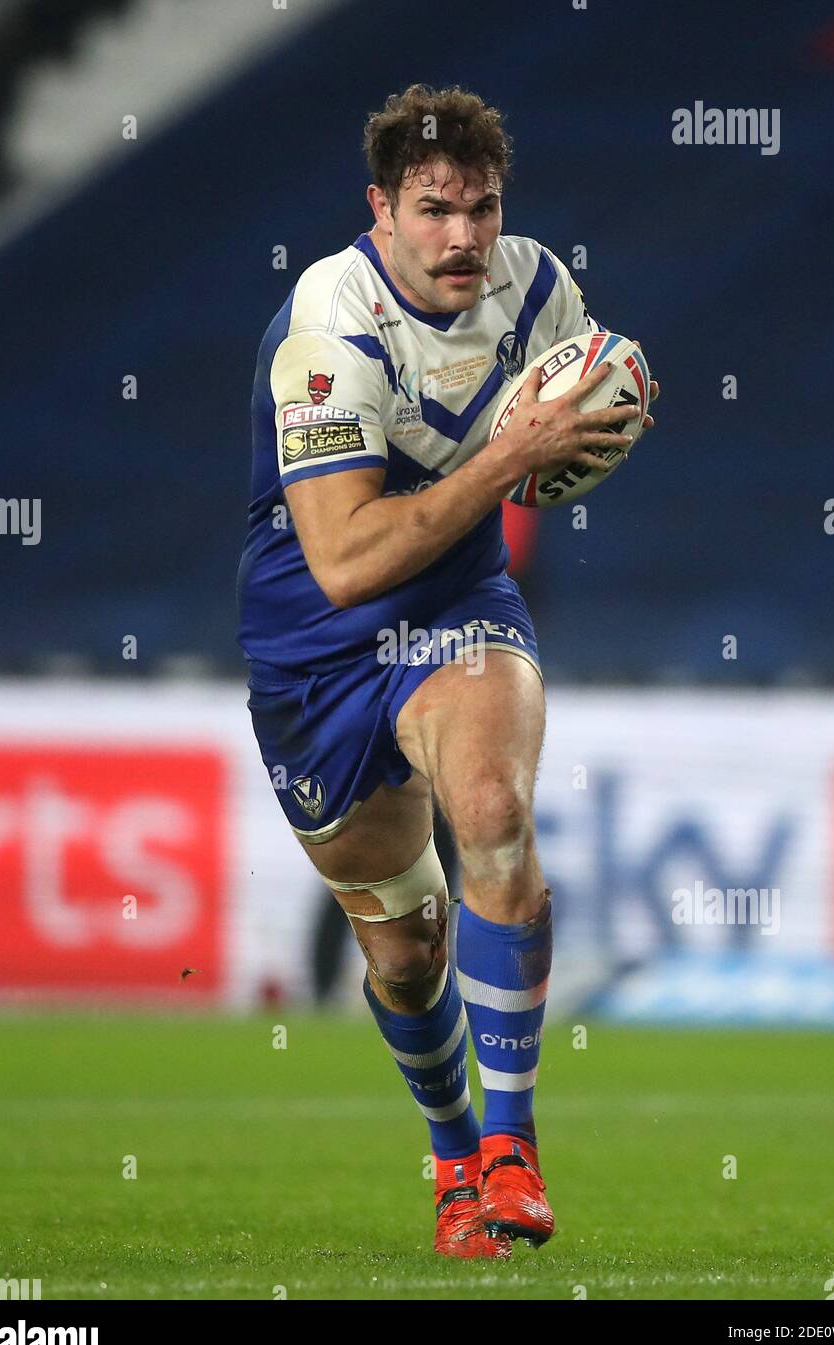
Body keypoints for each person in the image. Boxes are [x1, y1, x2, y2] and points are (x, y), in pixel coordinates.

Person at [237, 83, 659, 1259]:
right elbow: (344, 560)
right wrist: (513, 456)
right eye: (434, 210)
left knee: (492, 810)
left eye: (482, 207)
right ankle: (452, 1151)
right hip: (314, 645)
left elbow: (545, 460)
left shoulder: (539, 287)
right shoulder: (329, 321)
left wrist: (597, 430)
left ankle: (514, 1155)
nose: (464, 236)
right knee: (405, 947)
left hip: (460, 611)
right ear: (382, 208)